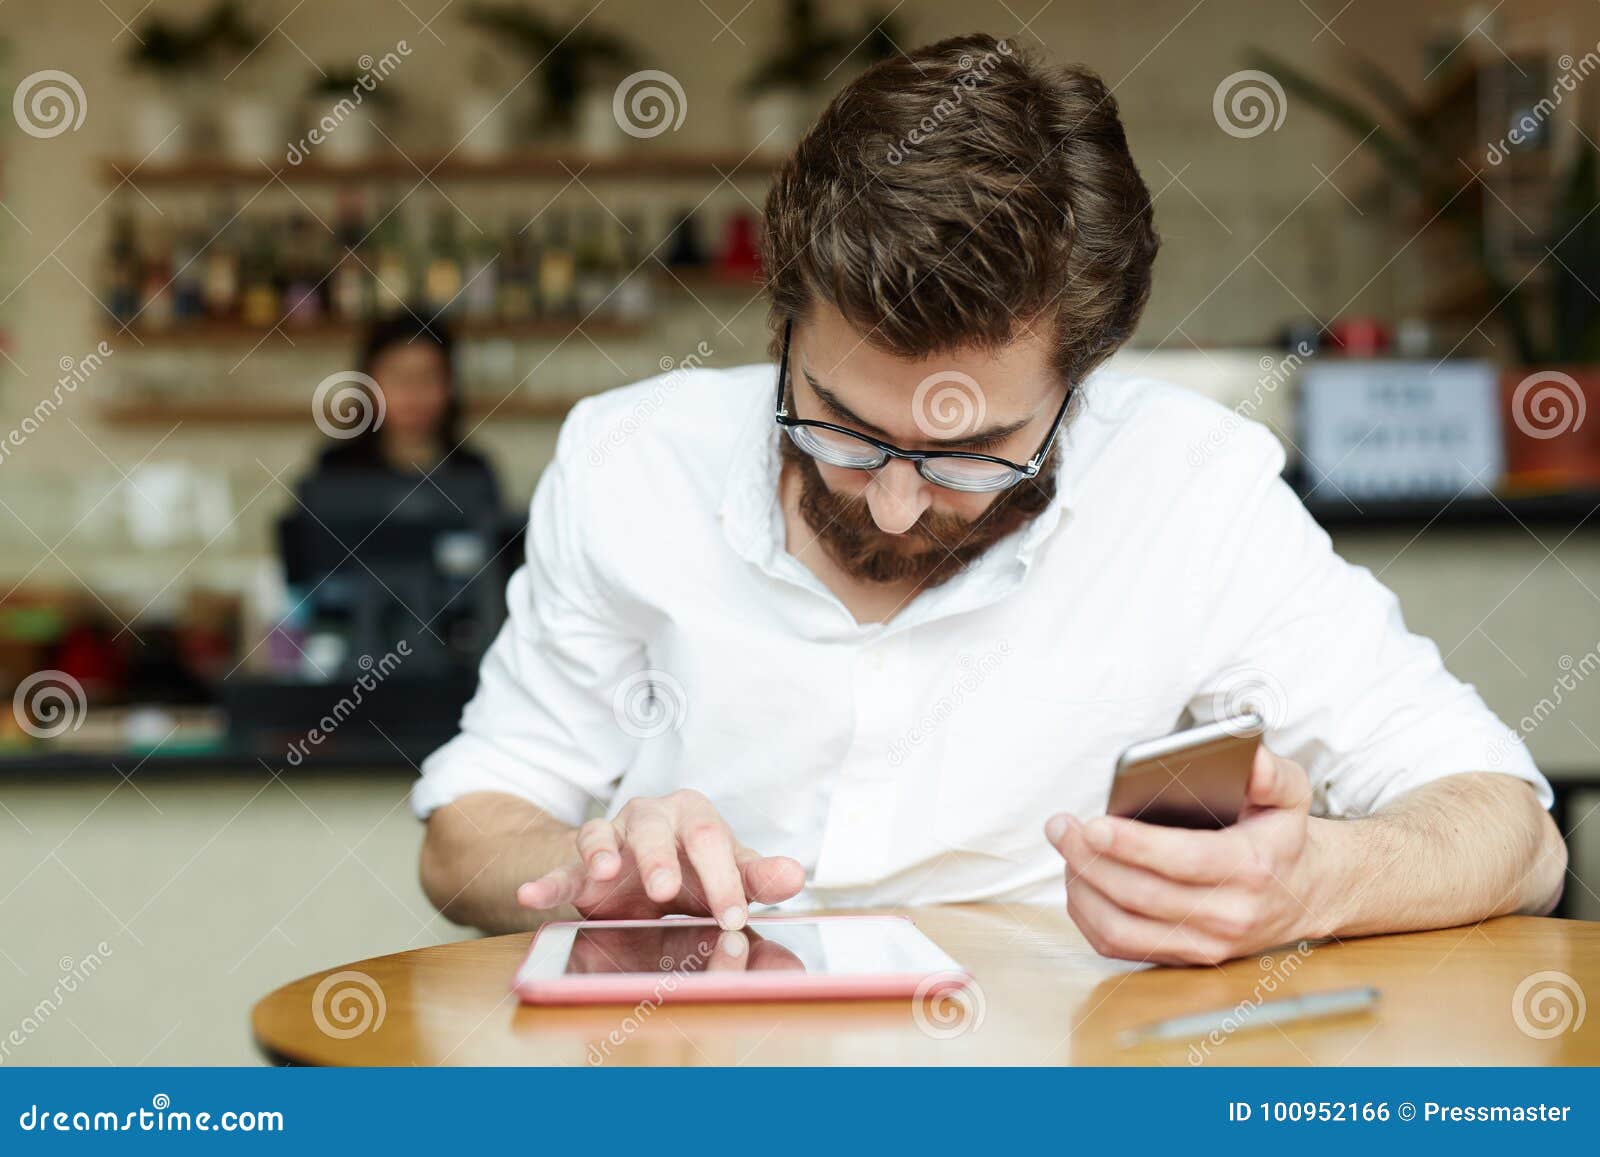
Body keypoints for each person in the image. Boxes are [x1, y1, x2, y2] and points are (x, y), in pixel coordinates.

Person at [413, 35, 1565, 966]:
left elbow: (1512, 831)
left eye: (975, 452)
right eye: (841, 426)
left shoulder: (1189, 485)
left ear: (1085, 373)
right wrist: (584, 871)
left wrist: (1313, 877)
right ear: (779, 319)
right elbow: (469, 824)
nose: (901, 506)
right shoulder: (630, 463)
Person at [309, 314, 499, 499]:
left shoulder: (473, 471)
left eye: (428, 377)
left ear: (449, 386)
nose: (414, 392)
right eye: (398, 377)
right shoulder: (336, 469)